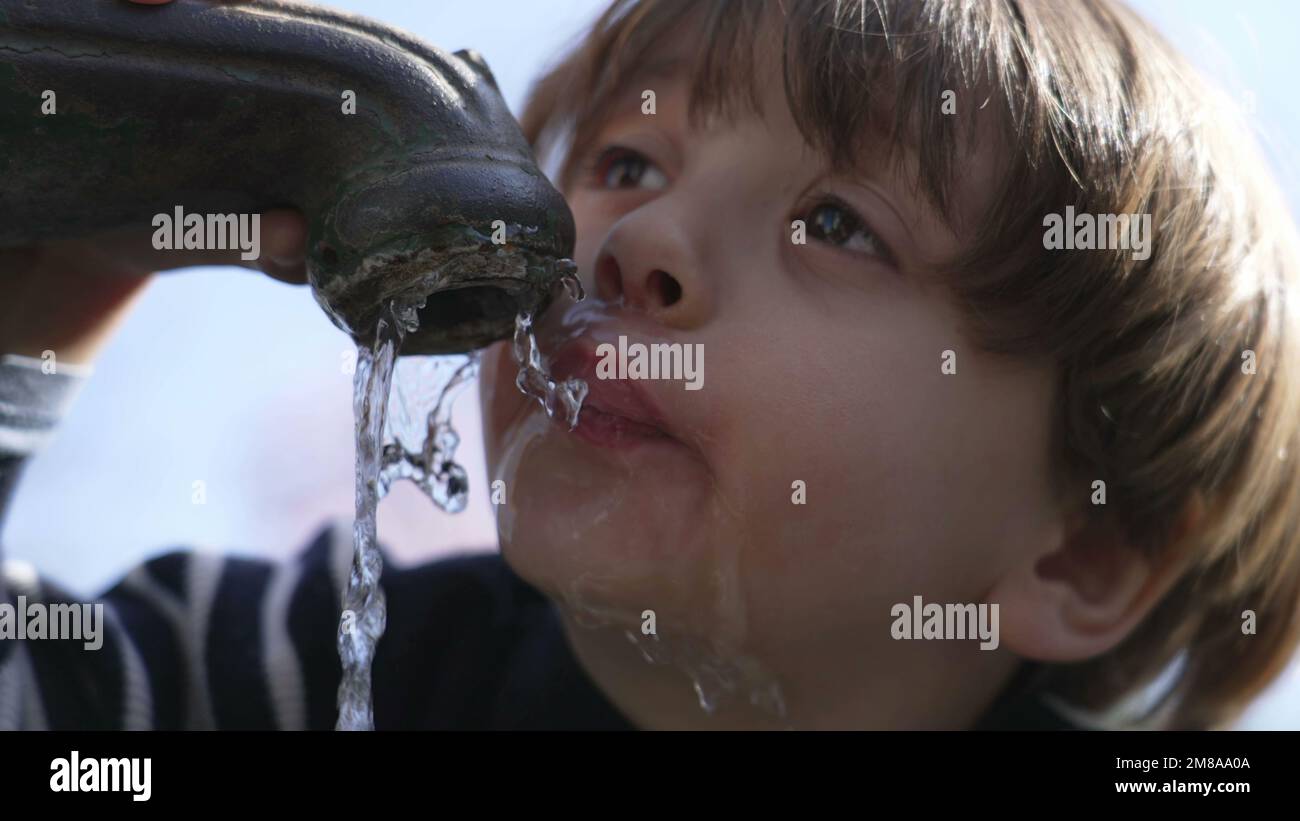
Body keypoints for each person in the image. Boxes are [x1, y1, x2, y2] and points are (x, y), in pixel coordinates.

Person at [2, 0, 1298, 730]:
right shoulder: (301, 671)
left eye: (838, 226)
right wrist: (47, 296)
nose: (637, 243)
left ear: (1077, 554)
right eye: (624, 164)